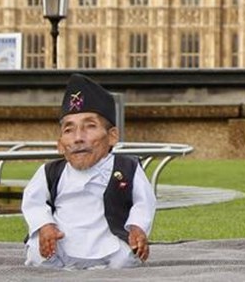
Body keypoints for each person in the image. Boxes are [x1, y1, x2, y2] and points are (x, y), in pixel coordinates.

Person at [21, 72, 156, 268]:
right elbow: (33, 202)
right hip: (63, 240)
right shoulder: (50, 172)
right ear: (60, 145)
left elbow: (144, 202)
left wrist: (137, 228)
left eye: (89, 127)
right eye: (69, 130)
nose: (78, 138)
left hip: (107, 240)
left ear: (112, 136)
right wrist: (45, 226)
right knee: (36, 253)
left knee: (126, 257)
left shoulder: (127, 168)